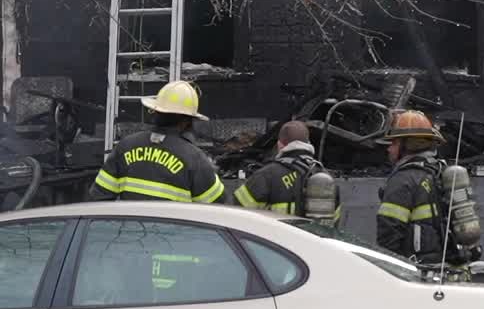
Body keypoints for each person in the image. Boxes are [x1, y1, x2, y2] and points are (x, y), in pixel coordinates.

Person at [91, 80, 226, 205]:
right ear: (187, 121)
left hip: (128, 230)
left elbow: (98, 198)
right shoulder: (194, 158)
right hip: (173, 231)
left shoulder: (125, 146)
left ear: (155, 112)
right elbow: (218, 208)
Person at [375, 110, 476, 264]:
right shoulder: (440, 172)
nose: (389, 149)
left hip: (417, 270)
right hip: (447, 265)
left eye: (394, 143)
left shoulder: (403, 180)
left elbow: (389, 234)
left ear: (407, 145)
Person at [234, 120, 336, 219]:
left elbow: (238, 216)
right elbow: (334, 221)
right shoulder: (325, 177)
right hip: (315, 236)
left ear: (280, 145)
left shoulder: (266, 175)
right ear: (308, 143)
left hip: (274, 236)